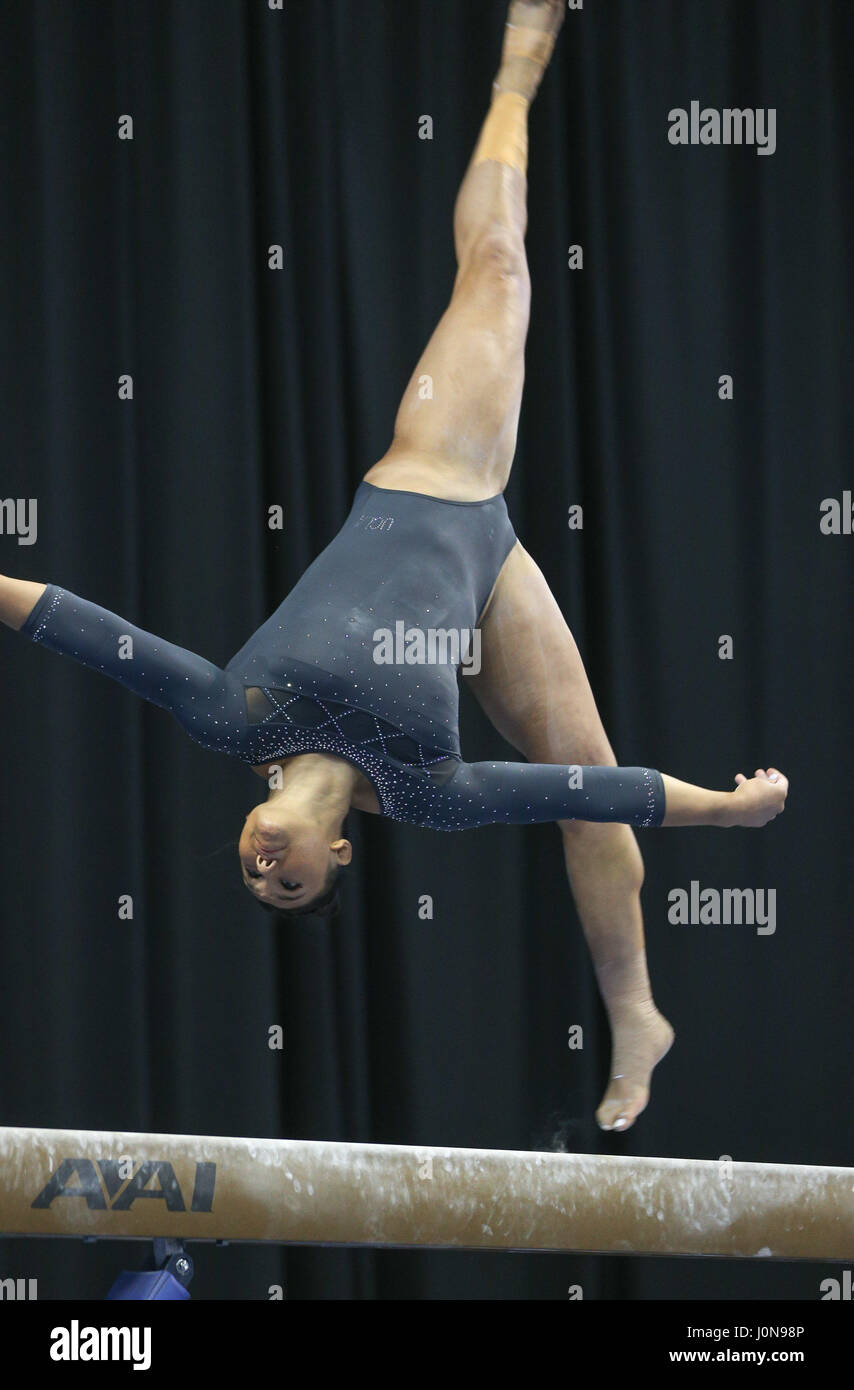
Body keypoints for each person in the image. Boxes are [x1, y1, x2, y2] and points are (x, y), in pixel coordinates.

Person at [0, 1, 787, 1130]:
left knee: (502, 261)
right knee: (589, 782)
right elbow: (580, 791)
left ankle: (516, 66)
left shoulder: (239, 718)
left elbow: (89, 629)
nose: (265, 868)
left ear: (262, 823)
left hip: (431, 470)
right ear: (338, 855)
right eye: (291, 883)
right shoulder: (425, 793)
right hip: (487, 567)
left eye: (252, 874)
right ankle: (636, 1013)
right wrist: (720, 811)